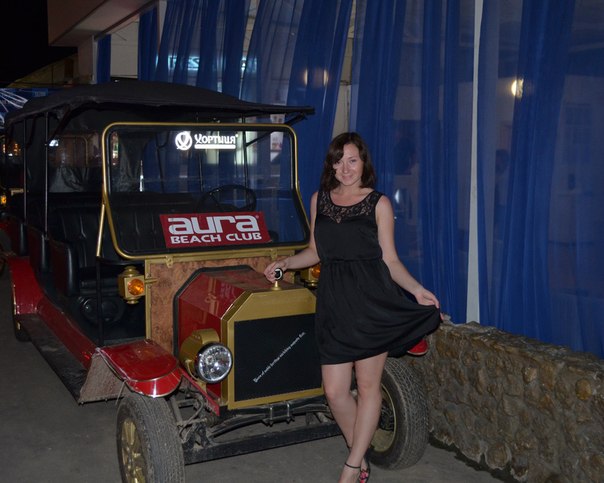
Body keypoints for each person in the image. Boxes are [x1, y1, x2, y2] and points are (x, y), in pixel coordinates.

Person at [264, 132, 441, 483]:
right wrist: (286, 262)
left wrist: (417, 290)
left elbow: (390, 260)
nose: (345, 168)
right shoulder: (319, 200)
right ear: (330, 165)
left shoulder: (379, 204)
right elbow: (315, 251)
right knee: (334, 391)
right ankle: (358, 453)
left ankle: (353, 466)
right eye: (338, 161)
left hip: (371, 302)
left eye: (352, 160)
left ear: (363, 163)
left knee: (369, 386)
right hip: (333, 303)